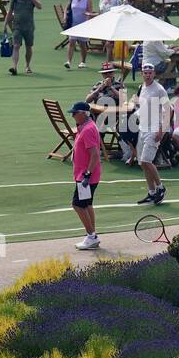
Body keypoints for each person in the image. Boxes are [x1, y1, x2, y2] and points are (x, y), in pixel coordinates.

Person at [132, 63, 170, 205]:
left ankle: (160, 187)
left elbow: (167, 111)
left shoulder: (159, 90)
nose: (147, 75)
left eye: (150, 72)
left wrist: (161, 129)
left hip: (154, 129)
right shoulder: (142, 88)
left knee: (147, 161)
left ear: (154, 74)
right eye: (145, 73)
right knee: (142, 162)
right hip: (143, 128)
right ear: (142, 74)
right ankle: (151, 192)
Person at [70, 102, 102, 250]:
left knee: (77, 204)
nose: (72, 115)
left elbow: (95, 155)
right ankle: (92, 235)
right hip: (85, 174)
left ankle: (91, 236)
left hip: (86, 176)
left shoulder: (88, 129)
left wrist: (87, 175)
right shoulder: (84, 127)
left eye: (75, 113)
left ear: (83, 113)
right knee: (87, 204)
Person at [5, 0, 42, 75]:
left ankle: (27, 65)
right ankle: (14, 67)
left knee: (28, 46)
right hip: (17, 25)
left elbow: (39, 6)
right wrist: (5, 24)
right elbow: (10, 11)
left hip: (29, 26)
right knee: (16, 46)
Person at [64, 0, 93, 69]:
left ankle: (83, 62)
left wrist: (87, 23)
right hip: (73, 23)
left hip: (83, 24)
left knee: (82, 44)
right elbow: (67, 8)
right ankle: (69, 61)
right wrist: (65, 16)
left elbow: (89, 11)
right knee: (71, 41)